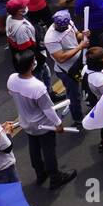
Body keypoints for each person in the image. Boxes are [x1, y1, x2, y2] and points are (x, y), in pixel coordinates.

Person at [6, 50, 77, 189]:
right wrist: (58, 123)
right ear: (31, 65)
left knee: (34, 149)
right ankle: (55, 177)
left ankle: (40, 174)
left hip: (26, 122)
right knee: (49, 151)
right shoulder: (37, 87)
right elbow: (48, 109)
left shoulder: (12, 79)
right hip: (43, 125)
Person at [43, 10, 90, 126]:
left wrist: (83, 35)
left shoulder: (69, 23)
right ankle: (78, 119)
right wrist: (80, 46)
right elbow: (61, 58)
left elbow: (76, 34)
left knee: (87, 84)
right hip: (67, 71)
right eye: (61, 27)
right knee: (74, 97)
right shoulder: (50, 38)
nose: (63, 28)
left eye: (65, 26)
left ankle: (90, 102)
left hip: (79, 63)